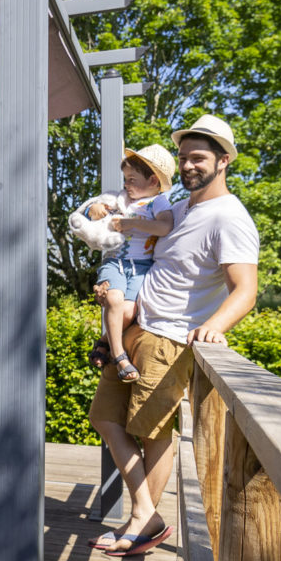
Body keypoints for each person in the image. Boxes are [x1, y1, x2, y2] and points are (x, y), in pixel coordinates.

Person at [88, 115, 259, 556]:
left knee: (153, 432)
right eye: (183, 157)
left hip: (169, 340)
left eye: (198, 158)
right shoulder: (178, 208)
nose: (187, 165)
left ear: (223, 161)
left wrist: (214, 327)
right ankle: (147, 514)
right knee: (104, 417)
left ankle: (140, 522)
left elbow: (246, 290)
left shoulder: (230, 217)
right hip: (136, 329)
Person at [73, 143, 177, 382]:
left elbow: (164, 226)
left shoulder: (157, 203)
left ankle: (103, 342)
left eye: (132, 179)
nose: (126, 185)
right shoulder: (120, 198)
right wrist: (93, 209)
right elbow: (90, 210)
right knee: (113, 299)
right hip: (115, 262)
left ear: (153, 181)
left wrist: (131, 224)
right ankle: (119, 355)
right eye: (125, 179)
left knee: (128, 312)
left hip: (141, 267)